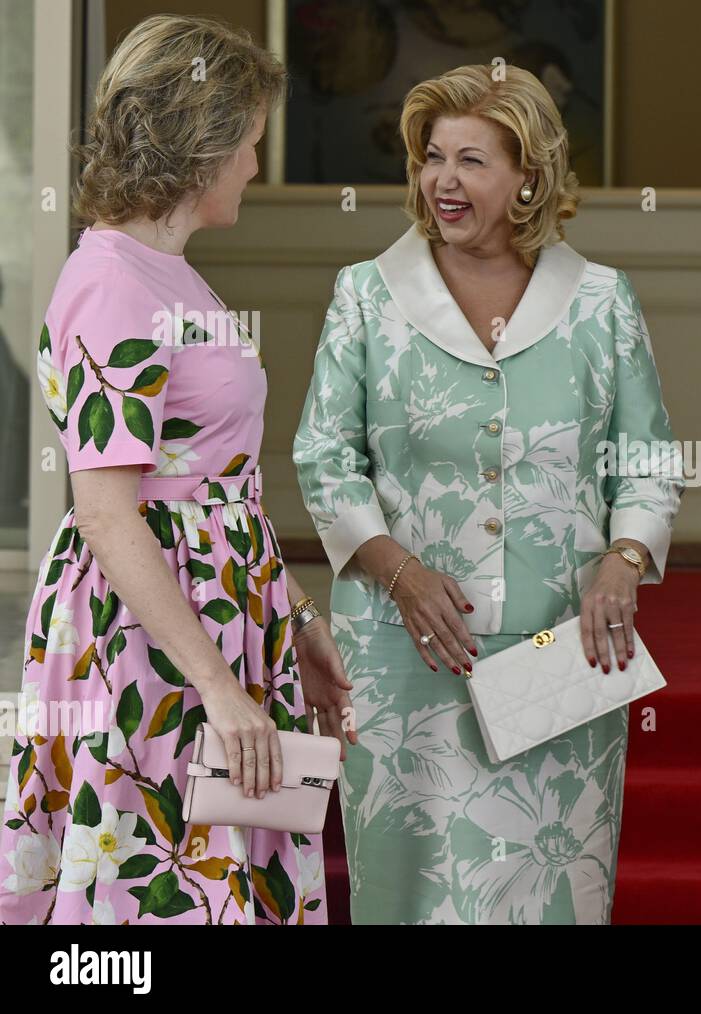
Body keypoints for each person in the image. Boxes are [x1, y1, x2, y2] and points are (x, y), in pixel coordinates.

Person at [293, 65, 685, 924]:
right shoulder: (366, 295)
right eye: (433, 157)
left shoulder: (600, 301)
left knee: (547, 889)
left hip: (562, 640)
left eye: (471, 160)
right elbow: (323, 457)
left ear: (529, 175)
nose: (443, 181)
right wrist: (398, 570)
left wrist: (624, 560)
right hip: (402, 652)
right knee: (406, 893)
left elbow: (649, 456)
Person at [0, 15, 355, 925]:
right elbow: (109, 515)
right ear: (203, 146)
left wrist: (298, 616)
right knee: (154, 902)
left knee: (213, 885)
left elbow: (218, 485)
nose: (252, 165)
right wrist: (216, 686)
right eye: (248, 144)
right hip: (150, 649)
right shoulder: (115, 282)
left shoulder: (166, 274)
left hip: (211, 623)